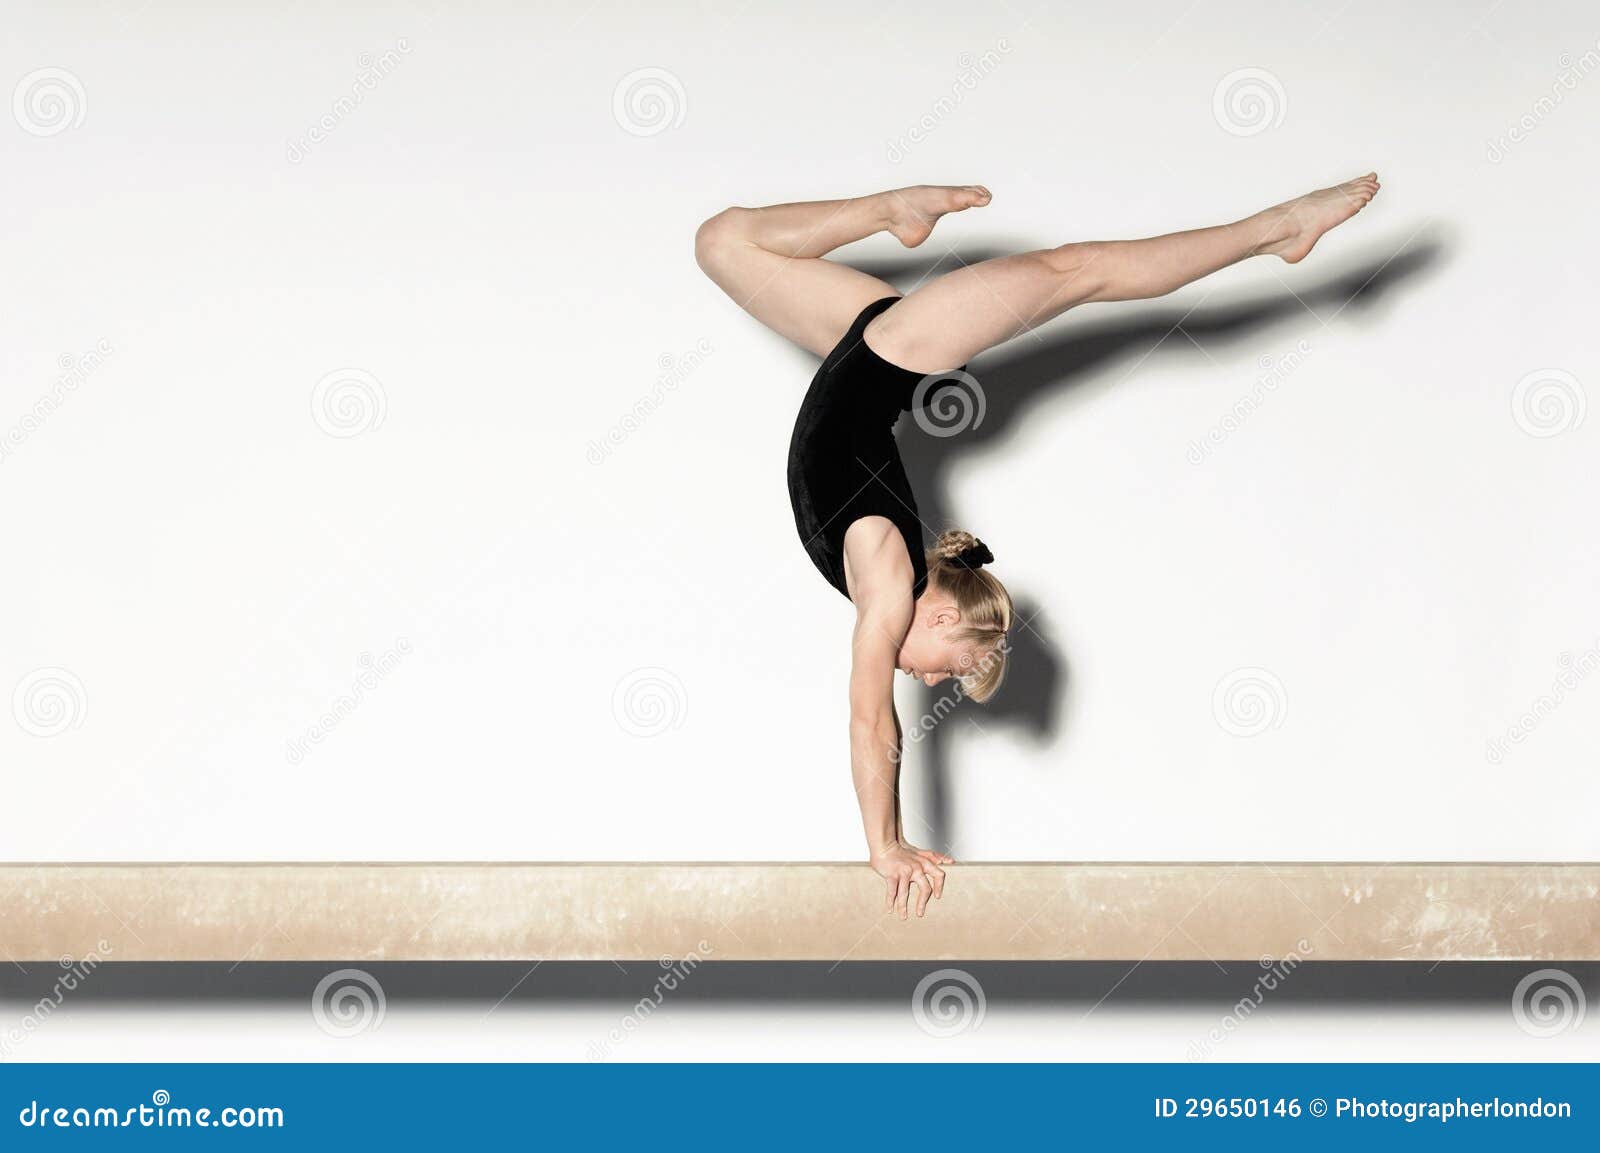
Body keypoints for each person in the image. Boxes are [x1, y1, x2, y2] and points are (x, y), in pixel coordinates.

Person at [694, 174, 1381, 918]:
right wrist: (886, 841)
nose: (928, 683)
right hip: (895, 350)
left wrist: (884, 845)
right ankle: (1276, 229)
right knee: (1078, 269)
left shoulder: (883, 587)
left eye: (942, 682)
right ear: (946, 619)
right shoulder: (889, 586)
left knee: (721, 242)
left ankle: (895, 214)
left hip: (860, 350)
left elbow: (868, 714)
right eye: (950, 672)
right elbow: (872, 721)